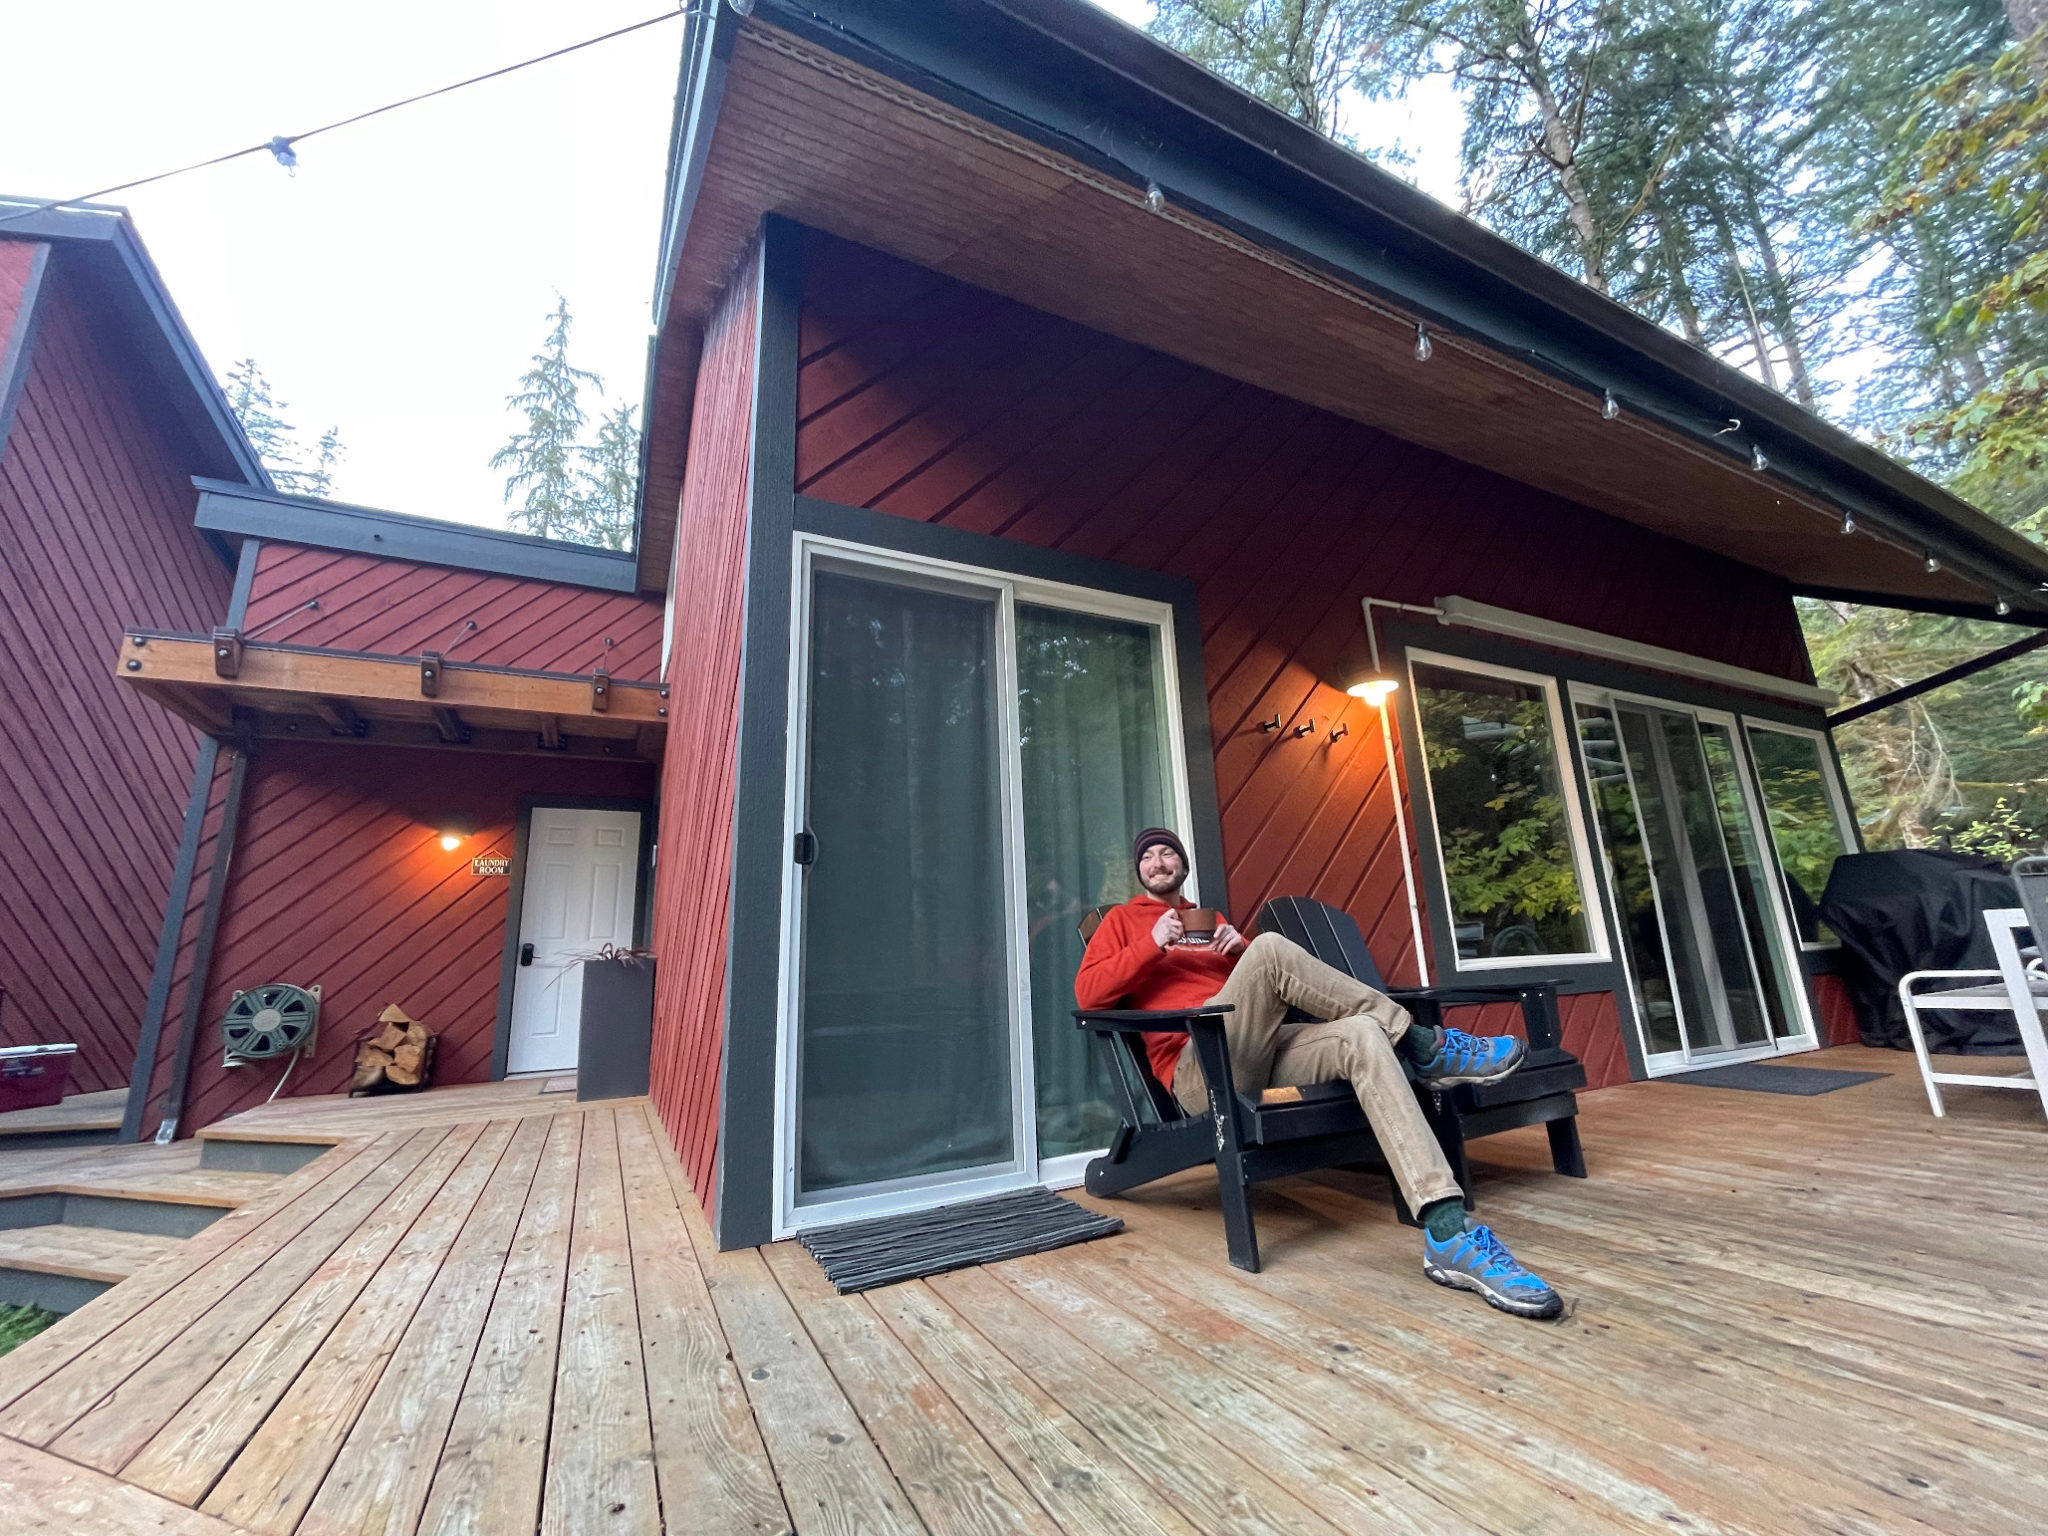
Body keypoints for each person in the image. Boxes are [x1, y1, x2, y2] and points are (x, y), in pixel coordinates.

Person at [1075, 827, 1564, 1319]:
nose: (1159, 862)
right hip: (1199, 1069)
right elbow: (1087, 997)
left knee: (1361, 1034)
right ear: (1139, 870)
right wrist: (1152, 944)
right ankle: (1422, 1044)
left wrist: (1237, 949)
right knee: (1270, 950)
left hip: (1254, 1051)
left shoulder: (1211, 920)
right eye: (1149, 857)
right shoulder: (1120, 922)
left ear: (1181, 866)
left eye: (1168, 854)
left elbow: (1261, 996)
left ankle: (1447, 1231)